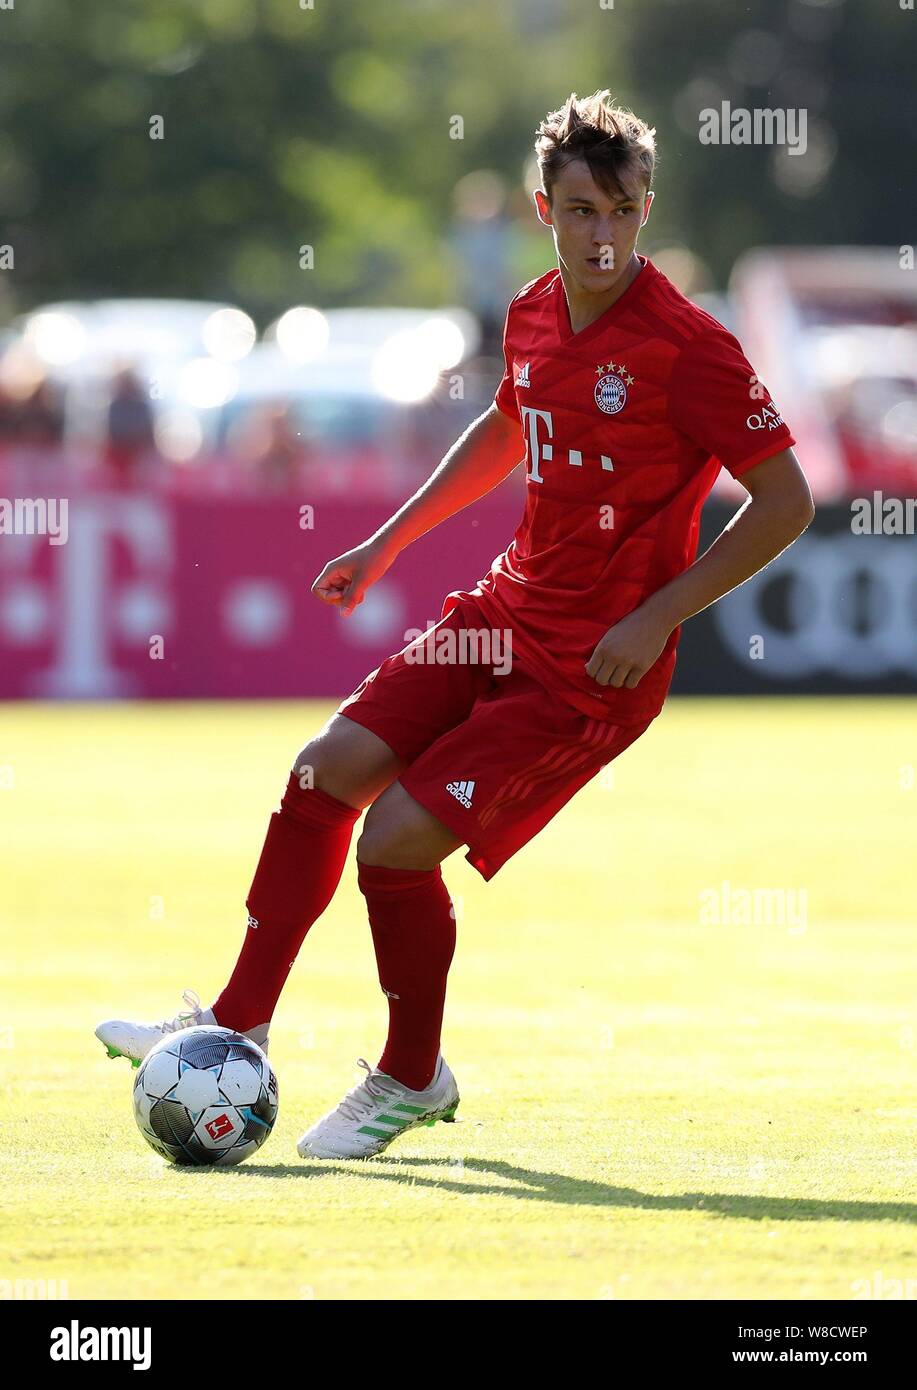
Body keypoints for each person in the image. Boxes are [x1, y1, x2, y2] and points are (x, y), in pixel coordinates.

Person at [96, 91, 814, 1160]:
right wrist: (386, 542)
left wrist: (657, 616)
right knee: (320, 771)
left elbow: (787, 500)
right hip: (500, 613)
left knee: (391, 840)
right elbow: (501, 426)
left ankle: (409, 1075)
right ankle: (235, 1020)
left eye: (620, 210)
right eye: (580, 210)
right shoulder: (530, 312)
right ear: (543, 209)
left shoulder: (686, 346)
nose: (602, 234)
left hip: (589, 672)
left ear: (645, 208)